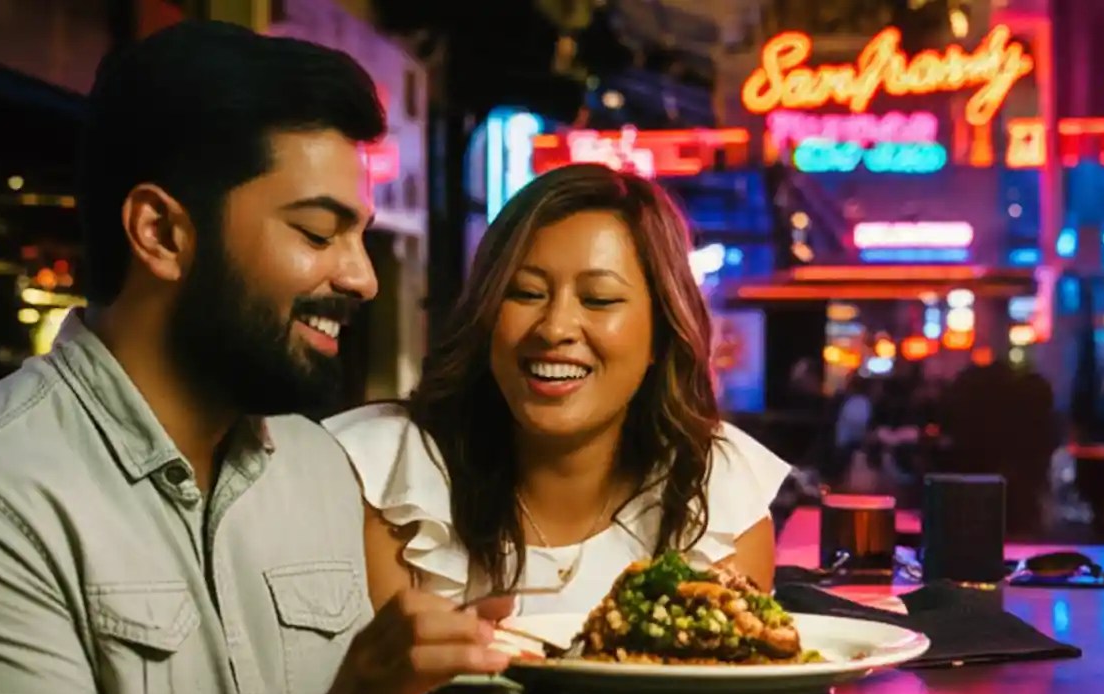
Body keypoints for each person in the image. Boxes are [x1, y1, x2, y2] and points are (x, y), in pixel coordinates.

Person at [0, 22, 509, 694]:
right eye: (315, 232)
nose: (363, 278)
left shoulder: (319, 471)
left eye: (361, 235)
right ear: (161, 233)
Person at [326, 164, 791, 614]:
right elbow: (374, 687)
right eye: (526, 293)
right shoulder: (389, 473)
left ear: (661, 335)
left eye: (599, 300)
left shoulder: (716, 491)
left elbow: (725, 682)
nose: (554, 328)